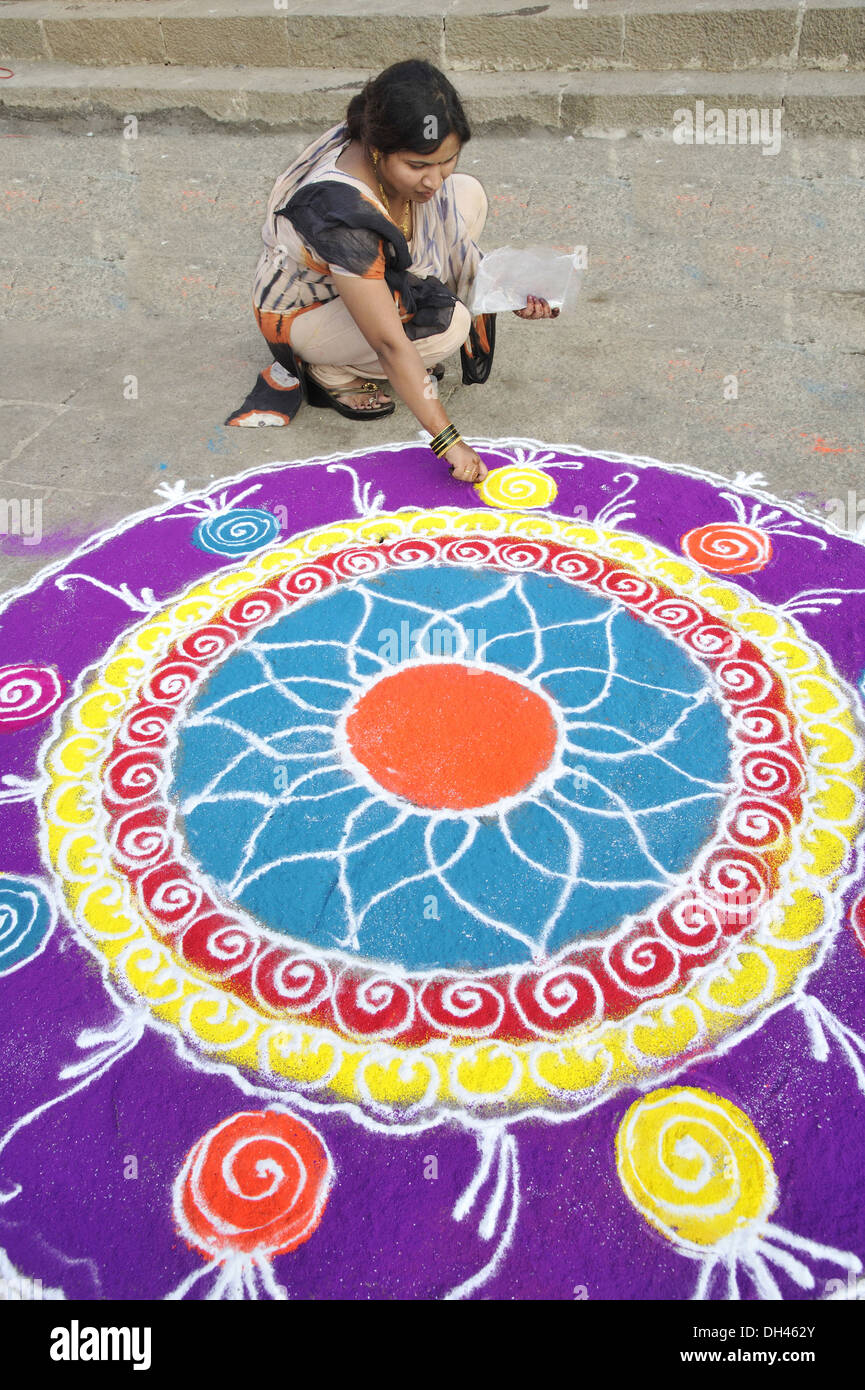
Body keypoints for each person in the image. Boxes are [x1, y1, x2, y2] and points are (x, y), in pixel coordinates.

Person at [252, 60, 557, 484]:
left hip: (356, 277)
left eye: (445, 160)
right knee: (449, 325)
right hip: (304, 314)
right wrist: (448, 440)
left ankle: (362, 338)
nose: (433, 181)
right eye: (417, 166)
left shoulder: (388, 150)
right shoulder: (344, 218)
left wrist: (509, 293)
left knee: (465, 192)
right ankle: (329, 369)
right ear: (378, 150)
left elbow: (452, 229)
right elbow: (389, 344)